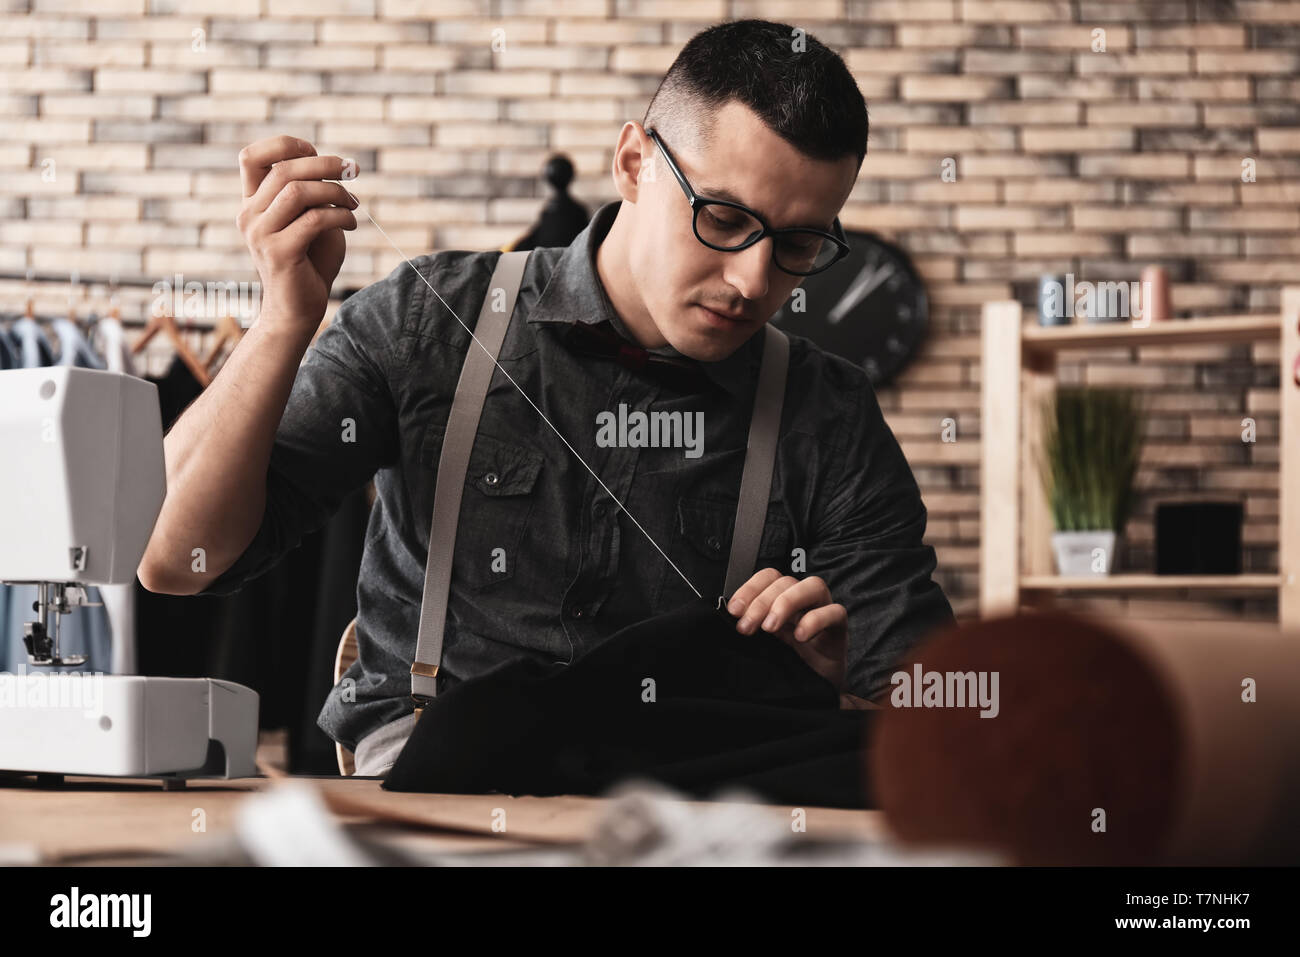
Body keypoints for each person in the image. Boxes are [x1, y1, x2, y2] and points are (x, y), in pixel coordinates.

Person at [138, 18, 955, 776]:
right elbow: (177, 560)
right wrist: (284, 322)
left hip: (692, 792)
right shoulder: (430, 322)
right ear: (633, 163)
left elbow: (938, 722)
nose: (753, 280)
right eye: (725, 218)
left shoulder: (828, 412)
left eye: (800, 243)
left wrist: (838, 683)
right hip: (436, 779)